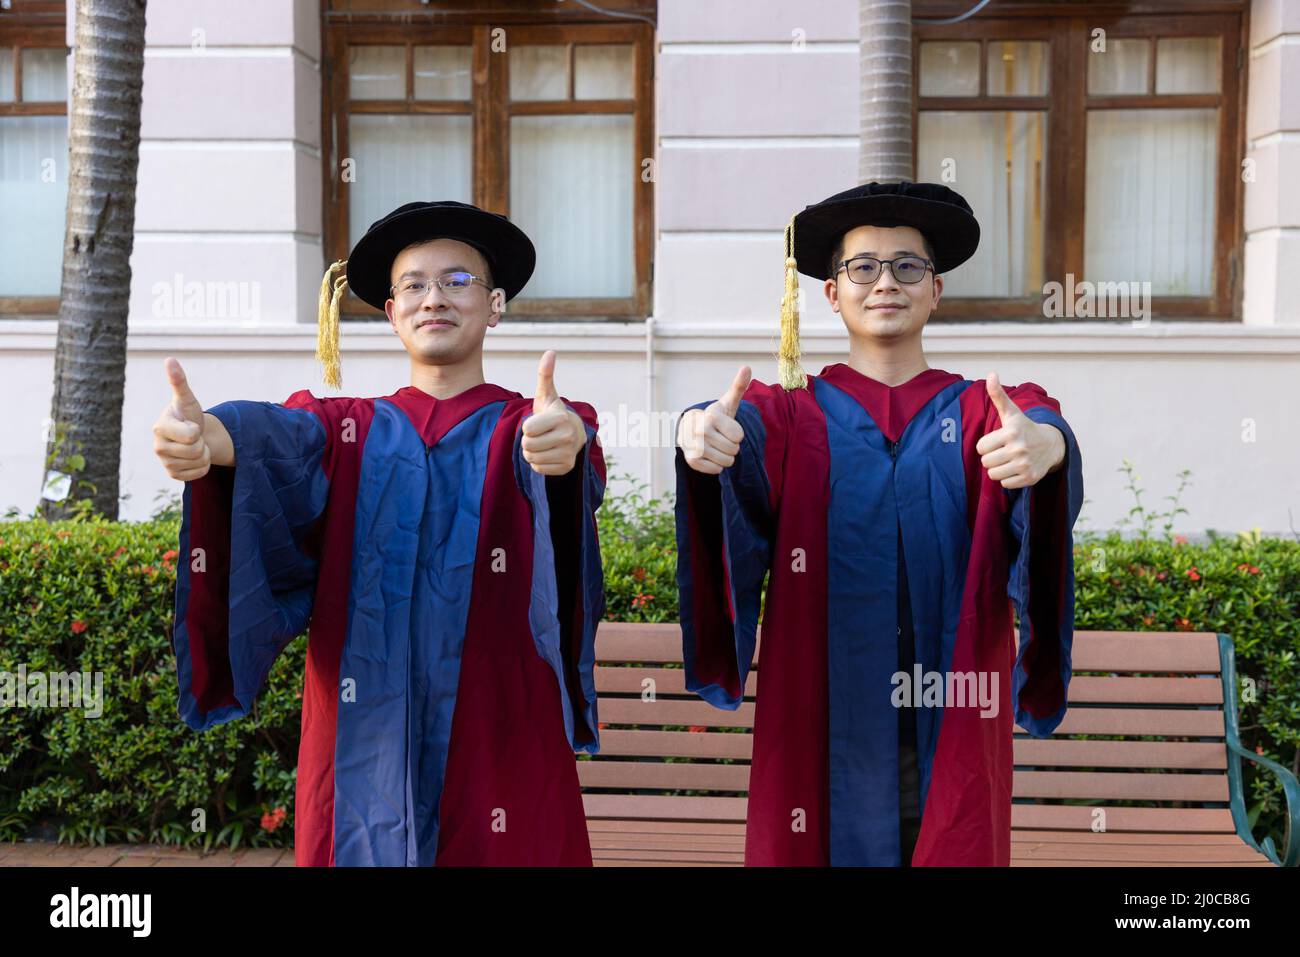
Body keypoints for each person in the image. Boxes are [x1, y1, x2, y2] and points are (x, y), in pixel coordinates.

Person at [153, 201, 606, 867]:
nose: (434, 298)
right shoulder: (344, 431)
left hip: (500, 727)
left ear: (496, 305)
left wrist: (564, 444)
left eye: (458, 281)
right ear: (391, 313)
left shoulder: (525, 428)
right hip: (361, 731)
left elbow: (570, 452)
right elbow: (264, 438)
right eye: (413, 285)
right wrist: (202, 439)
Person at [674, 181, 1084, 866]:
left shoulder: (981, 411)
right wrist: (696, 431)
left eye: (907, 266)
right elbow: (730, 428)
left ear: (936, 289)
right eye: (862, 267)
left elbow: (1038, 420)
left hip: (950, 704)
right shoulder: (791, 414)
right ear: (832, 293)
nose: (884, 282)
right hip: (822, 709)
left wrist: (1051, 444)